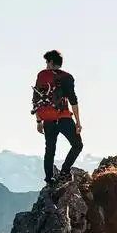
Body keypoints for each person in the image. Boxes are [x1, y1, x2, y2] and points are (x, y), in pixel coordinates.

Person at [32, 50, 83, 186]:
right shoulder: (67, 77)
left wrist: (39, 121)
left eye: (47, 62)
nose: (46, 65)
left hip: (47, 119)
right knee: (77, 145)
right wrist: (78, 122)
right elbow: (73, 100)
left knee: (50, 150)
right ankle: (64, 172)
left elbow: (37, 99)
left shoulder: (41, 75)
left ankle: (49, 179)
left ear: (52, 62)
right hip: (63, 117)